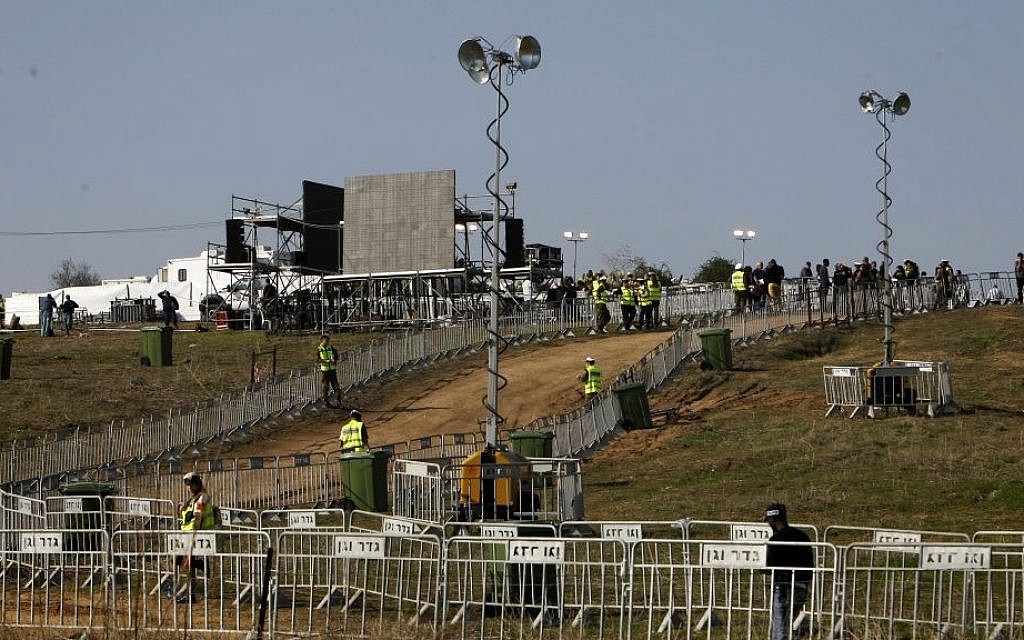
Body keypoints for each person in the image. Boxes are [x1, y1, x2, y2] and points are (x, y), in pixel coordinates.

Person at [764, 502, 814, 640]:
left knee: (780, 627)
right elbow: (810, 566)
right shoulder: (803, 536)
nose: (769, 524)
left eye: (769, 520)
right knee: (788, 623)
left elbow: (770, 566)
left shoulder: (775, 540)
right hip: (801, 587)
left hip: (782, 588)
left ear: (774, 519)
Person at [171, 471, 217, 603]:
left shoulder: (202, 498)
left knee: (187, 564)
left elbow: (198, 517)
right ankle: (192, 590)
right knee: (182, 563)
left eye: (192, 484)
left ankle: (192, 592)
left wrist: (194, 535)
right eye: (188, 485)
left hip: (197, 537)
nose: (190, 488)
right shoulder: (193, 499)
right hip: (187, 536)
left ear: (198, 484)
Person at [317, 334, 342, 407]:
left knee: (336, 386)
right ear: (322, 341)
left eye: (328, 340)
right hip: (325, 370)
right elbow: (317, 359)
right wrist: (325, 361)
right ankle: (326, 401)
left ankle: (338, 401)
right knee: (326, 386)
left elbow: (336, 355)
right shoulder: (319, 349)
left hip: (332, 369)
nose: (327, 342)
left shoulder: (331, 347)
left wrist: (335, 360)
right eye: (325, 340)